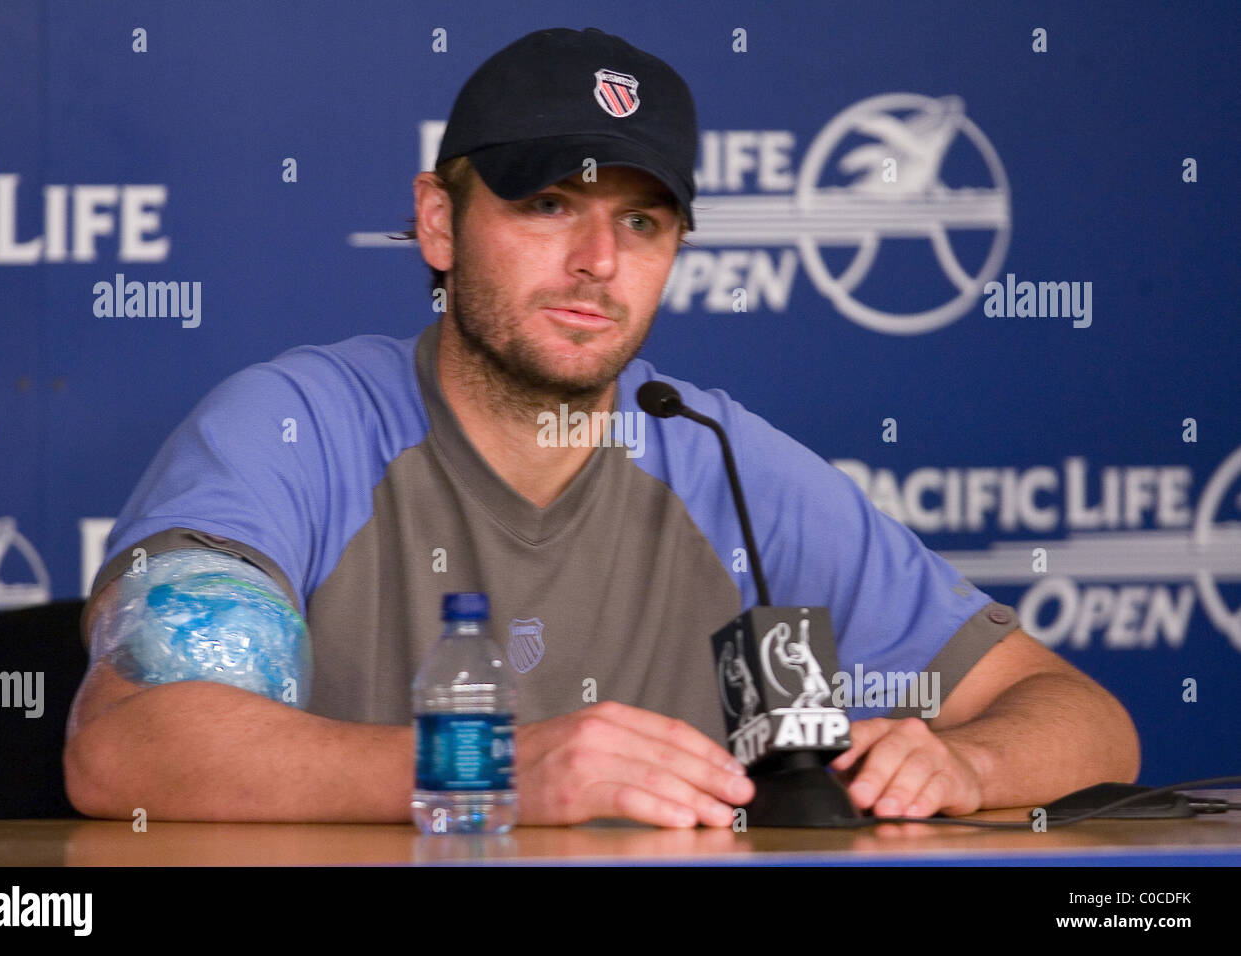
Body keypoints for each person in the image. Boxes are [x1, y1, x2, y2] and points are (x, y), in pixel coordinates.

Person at [64, 27, 1139, 828]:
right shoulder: (295, 426)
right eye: (546, 207)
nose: (597, 262)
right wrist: (498, 769)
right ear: (439, 220)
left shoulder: (721, 460)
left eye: (641, 220)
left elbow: (1080, 714)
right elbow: (126, 747)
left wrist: (967, 767)